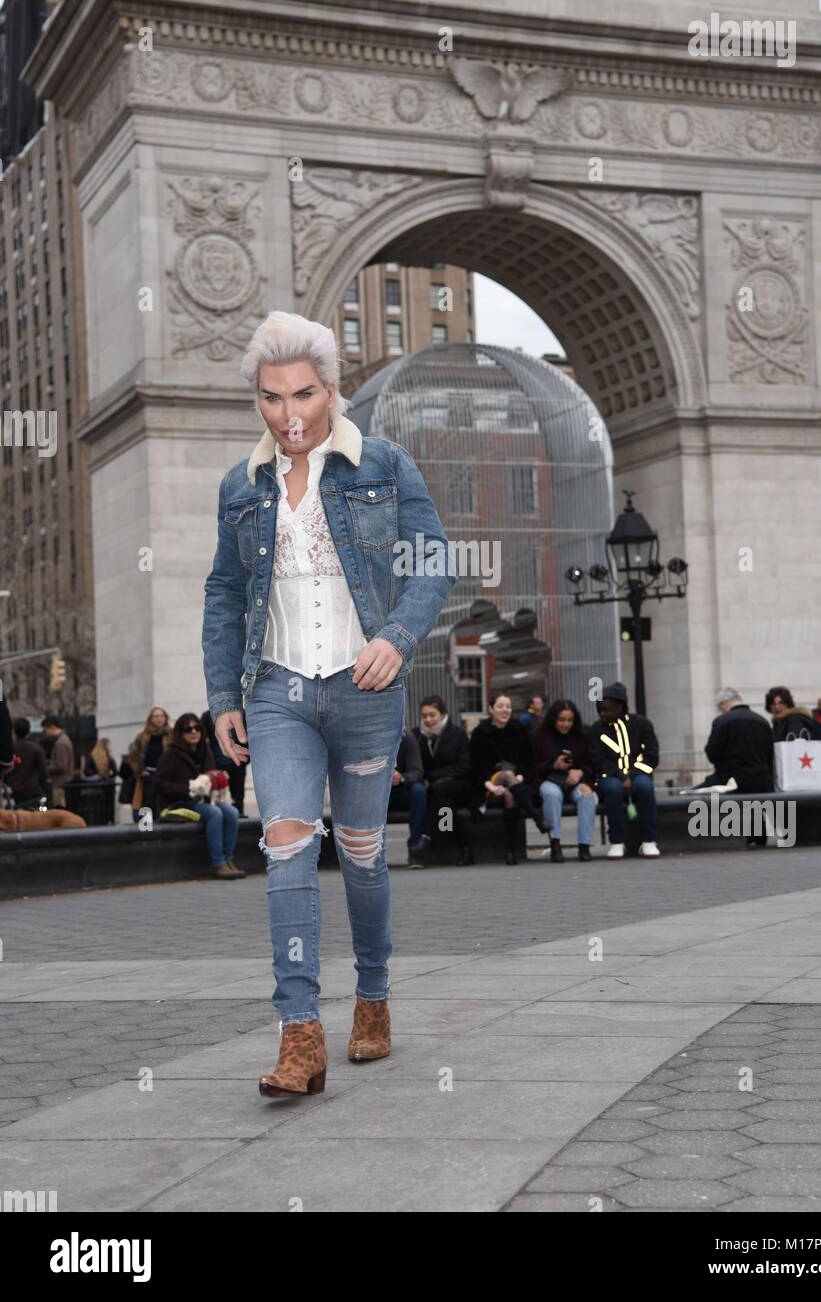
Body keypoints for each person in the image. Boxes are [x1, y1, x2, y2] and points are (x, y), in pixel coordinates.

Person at [203, 310, 454, 1098]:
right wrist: (221, 696)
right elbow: (223, 592)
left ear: (331, 391)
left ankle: (373, 996)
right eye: (273, 399)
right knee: (283, 843)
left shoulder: (381, 463)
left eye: (304, 394)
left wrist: (397, 636)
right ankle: (299, 1034)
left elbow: (431, 560)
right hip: (276, 690)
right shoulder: (240, 488)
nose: (290, 414)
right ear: (259, 402)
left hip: (364, 688)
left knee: (361, 853)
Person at [154, 714, 244, 879]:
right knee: (214, 813)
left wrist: (216, 779)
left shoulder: (205, 750)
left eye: (197, 728)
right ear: (180, 733)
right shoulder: (171, 754)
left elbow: (210, 775)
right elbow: (159, 784)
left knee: (232, 812)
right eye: (188, 729)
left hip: (203, 800)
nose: (194, 732)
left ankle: (228, 859)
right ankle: (218, 863)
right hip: (179, 804)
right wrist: (188, 789)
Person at [469, 693, 551, 865]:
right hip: (488, 786)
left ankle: (510, 851)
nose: (505, 710)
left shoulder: (519, 729)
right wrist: (490, 786)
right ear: (491, 709)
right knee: (507, 774)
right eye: (500, 706)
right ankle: (536, 817)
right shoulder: (480, 733)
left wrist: (522, 775)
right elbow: (475, 766)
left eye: (508, 706)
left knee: (510, 796)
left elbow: (529, 761)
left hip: (515, 786)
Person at [589, 683, 660, 858]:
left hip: (639, 774)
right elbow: (597, 759)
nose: (603, 714)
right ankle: (617, 841)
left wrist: (633, 774)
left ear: (621, 707)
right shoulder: (597, 729)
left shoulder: (642, 724)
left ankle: (649, 840)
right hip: (610, 776)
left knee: (644, 787)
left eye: (608, 709)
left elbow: (651, 755)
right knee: (613, 789)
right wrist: (621, 776)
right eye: (600, 710)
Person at [412, 695, 474, 868]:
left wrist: (433, 777)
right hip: (437, 792)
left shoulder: (457, 734)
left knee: (442, 793)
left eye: (432, 715)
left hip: (459, 785)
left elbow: (464, 766)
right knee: (446, 806)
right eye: (424, 716)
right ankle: (465, 849)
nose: (428, 719)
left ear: (442, 714)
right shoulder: (417, 735)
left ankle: (426, 837)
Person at [532, 697, 597, 862]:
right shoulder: (539, 736)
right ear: (553, 718)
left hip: (574, 781)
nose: (565, 724)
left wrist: (580, 772)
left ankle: (584, 846)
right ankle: (555, 844)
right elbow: (532, 767)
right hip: (548, 779)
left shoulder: (582, 735)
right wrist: (553, 765)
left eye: (569, 720)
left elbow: (591, 763)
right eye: (561, 720)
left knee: (587, 797)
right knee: (552, 795)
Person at [702, 689, 775, 792]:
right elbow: (769, 755)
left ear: (723, 703)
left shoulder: (722, 721)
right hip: (762, 784)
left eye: (719, 707)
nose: (721, 711)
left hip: (731, 784)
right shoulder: (762, 721)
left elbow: (713, 754)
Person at [119, 707, 172, 822]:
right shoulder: (142, 736)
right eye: (156, 716)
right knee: (147, 808)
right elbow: (133, 755)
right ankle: (148, 835)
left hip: (165, 777)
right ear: (151, 719)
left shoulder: (171, 735)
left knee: (164, 807)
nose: (159, 719)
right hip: (147, 778)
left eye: (161, 716)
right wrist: (140, 770)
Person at [388, 726, 427, 864]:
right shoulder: (367, 737)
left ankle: (415, 847)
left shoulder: (406, 737)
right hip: (374, 792)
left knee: (419, 791)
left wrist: (401, 777)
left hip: (399, 790)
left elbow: (417, 772)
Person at [201, 708, 248, 816]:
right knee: (219, 792)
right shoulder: (208, 716)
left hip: (237, 762)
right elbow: (205, 738)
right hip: (218, 763)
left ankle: (239, 813)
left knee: (238, 791)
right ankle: (223, 814)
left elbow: (247, 735)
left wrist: (246, 758)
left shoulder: (241, 713)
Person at [5, 717, 50, 809]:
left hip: (12, 792)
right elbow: (43, 772)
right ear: (29, 731)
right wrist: (44, 789)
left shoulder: (8, 749)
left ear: (14, 731)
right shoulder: (36, 748)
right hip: (33, 793)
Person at [41, 715, 77, 808]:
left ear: (52, 727)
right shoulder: (63, 740)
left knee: (60, 809)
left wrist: (44, 768)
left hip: (60, 784)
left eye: (45, 730)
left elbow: (61, 766)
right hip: (62, 783)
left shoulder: (61, 743)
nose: (45, 734)